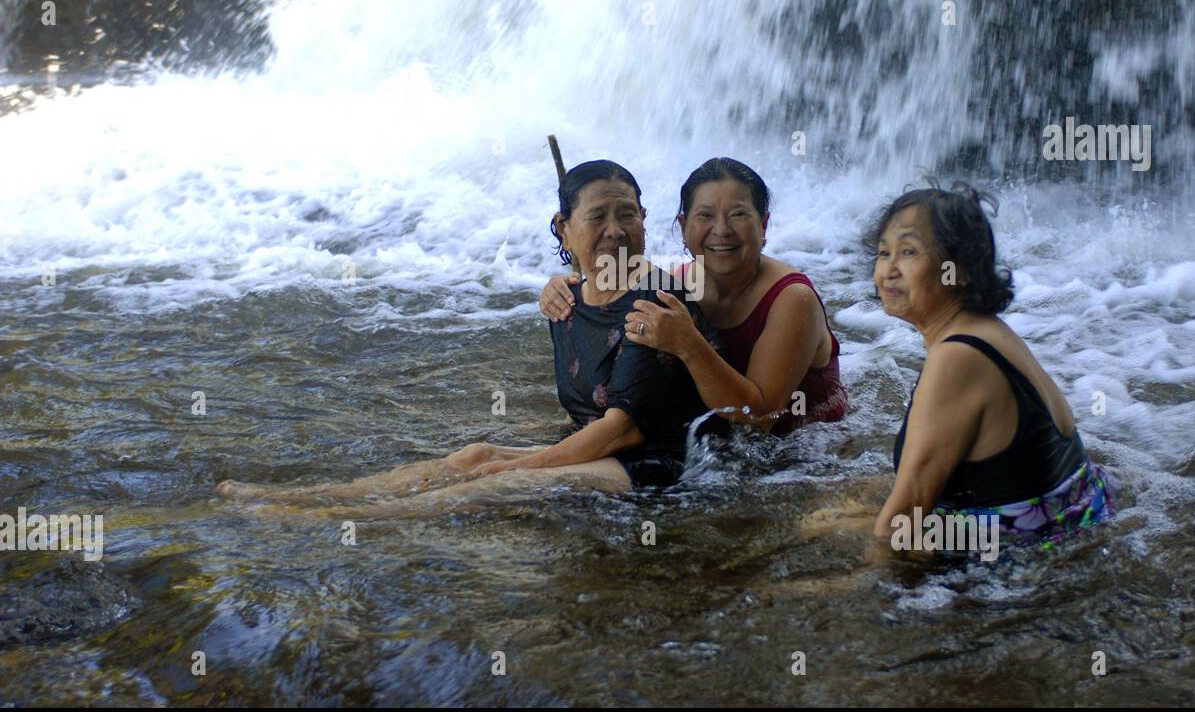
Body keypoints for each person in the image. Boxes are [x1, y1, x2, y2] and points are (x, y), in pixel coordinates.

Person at [217, 160, 717, 515]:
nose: (616, 229)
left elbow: (624, 429)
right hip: (600, 449)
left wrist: (516, 468)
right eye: (598, 217)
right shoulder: (567, 298)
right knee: (475, 455)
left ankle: (332, 522)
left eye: (627, 214)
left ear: (645, 222)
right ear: (563, 229)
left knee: (494, 483)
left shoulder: (658, 300)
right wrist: (498, 462)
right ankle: (316, 495)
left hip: (662, 463)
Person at [867, 182, 1115, 541]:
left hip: (1017, 565)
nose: (889, 269)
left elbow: (903, 519)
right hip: (1069, 523)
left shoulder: (957, 357)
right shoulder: (986, 330)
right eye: (883, 252)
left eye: (908, 252)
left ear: (962, 270)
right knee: (829, 515)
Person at [542, 157, 847, 435]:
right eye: (705, 215)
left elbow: (761, 416)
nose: (722, 230)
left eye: (738, 214)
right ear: (684, 227)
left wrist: (689, 345)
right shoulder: (678, 283)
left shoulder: (793, 299)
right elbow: (614, 283)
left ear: (764, 225)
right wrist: (563, 290)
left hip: (807, 452)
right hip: (722, 449)